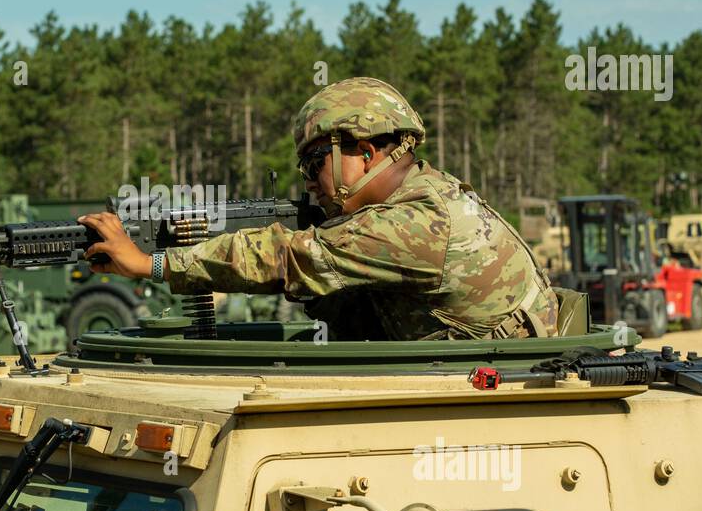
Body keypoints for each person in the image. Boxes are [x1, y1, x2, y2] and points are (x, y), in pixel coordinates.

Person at [79, 77, 558, 340]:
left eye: (315, 161)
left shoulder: (414, 223)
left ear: (366, 153)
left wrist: (150, 263)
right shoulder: (432, 190)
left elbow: (286, 257)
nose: (307, 179)